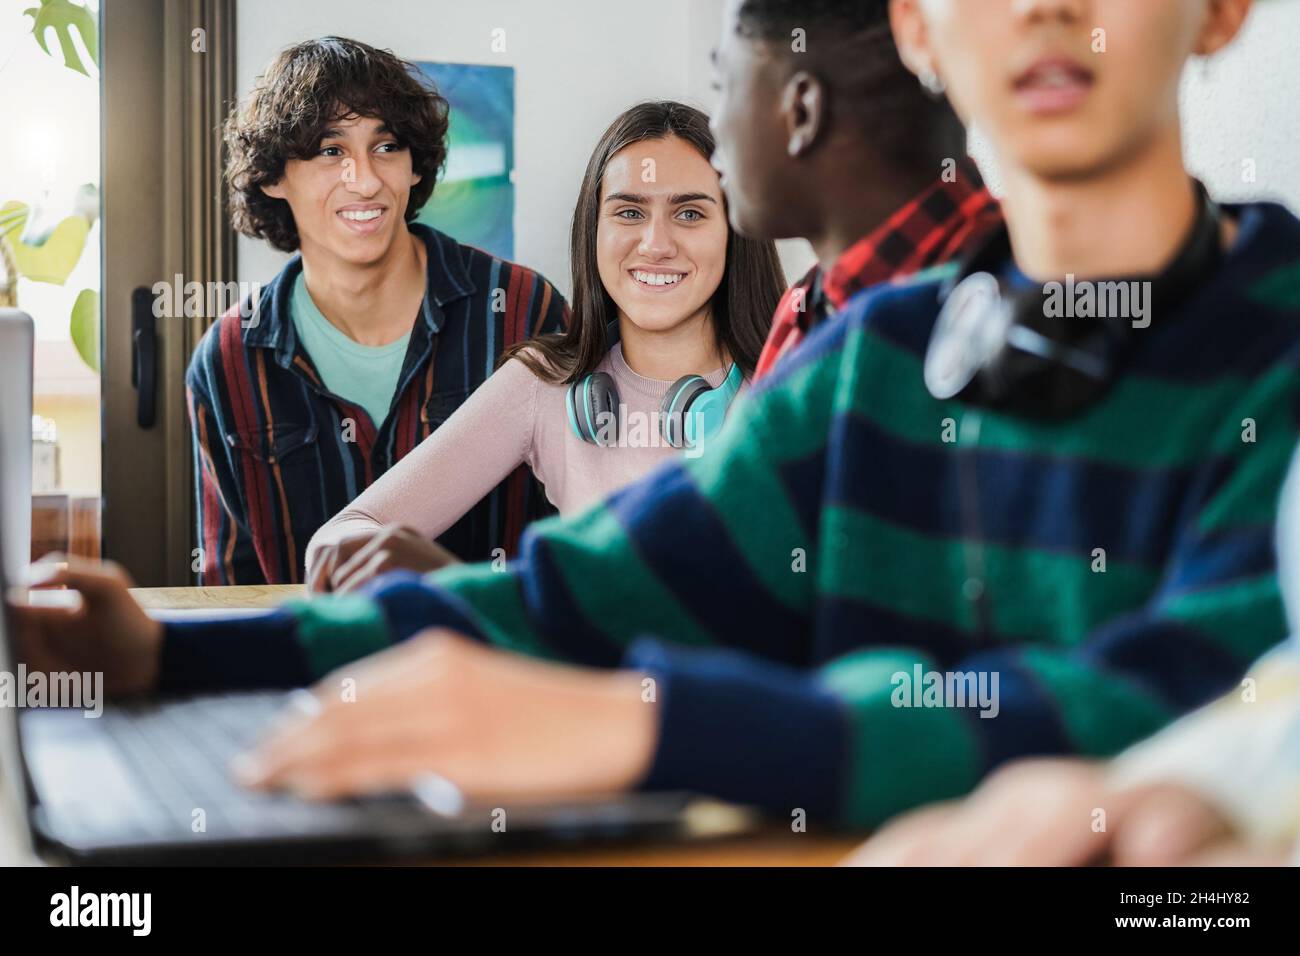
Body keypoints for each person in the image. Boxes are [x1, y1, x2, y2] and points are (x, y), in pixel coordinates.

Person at [13, 0, 1295, 828]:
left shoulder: (1274, 345)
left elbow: (1191, 711)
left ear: (1221, 12)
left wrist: (645, 719)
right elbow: (585, 590)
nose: (1044, 8)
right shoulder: (880, 357)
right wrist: (180, 655)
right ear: (917, 30)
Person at [304, 102, 785, 593]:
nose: (655, 243)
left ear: (736, 230)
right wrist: (448, 580)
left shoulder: (793, 387)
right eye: (629, 211)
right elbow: (341, 535)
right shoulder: (546, 383)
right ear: (593, 229)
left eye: (689, 213)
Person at [187, 37, 568, 586]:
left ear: (416, 166)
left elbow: (582, 536)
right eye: (329, 150)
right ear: (273, 177)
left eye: (386, 147)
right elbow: (230, 587)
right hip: (311, 663)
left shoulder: (524, 313)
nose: (364, 180)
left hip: (490, 659)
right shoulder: (228, 361)